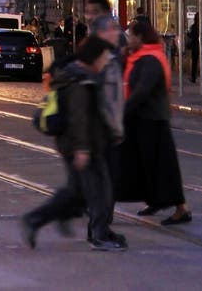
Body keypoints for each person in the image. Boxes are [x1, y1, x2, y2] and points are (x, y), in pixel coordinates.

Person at [21, 36, 127, 251]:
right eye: (104, 57)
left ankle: (36, 220)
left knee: (77, 192)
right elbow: (80, 118)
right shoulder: (80, 81)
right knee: (100, 191)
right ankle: (99, 235)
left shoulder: (83, 76)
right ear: (94, 57)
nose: (106, 61)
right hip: (81, 145)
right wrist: (82, 149)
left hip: (83, 144)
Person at [115, 20, 192, 226]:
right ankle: (155, 201)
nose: (129, 39)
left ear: (140, 37)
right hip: (142, 119)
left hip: (153, 120)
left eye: (131, 35)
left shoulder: (151, 59)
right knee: (145, 164)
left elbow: (142, 91)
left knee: (162, 166)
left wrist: (122, 110)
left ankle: (181, 208)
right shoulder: (139, 57)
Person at [89, 15, 126, 245]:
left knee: (104, 182)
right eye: (113, 30)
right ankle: (99, 233)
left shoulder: (107, 58)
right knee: (103, 183)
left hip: (106, 130)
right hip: (100, 131)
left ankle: (99, 228)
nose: (118, 34)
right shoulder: (100, 60)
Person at [188, 12, 202, 83]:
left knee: (195, 62)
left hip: (195, 46)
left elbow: (189, 35)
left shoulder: (193, 26)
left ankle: (193, 78)